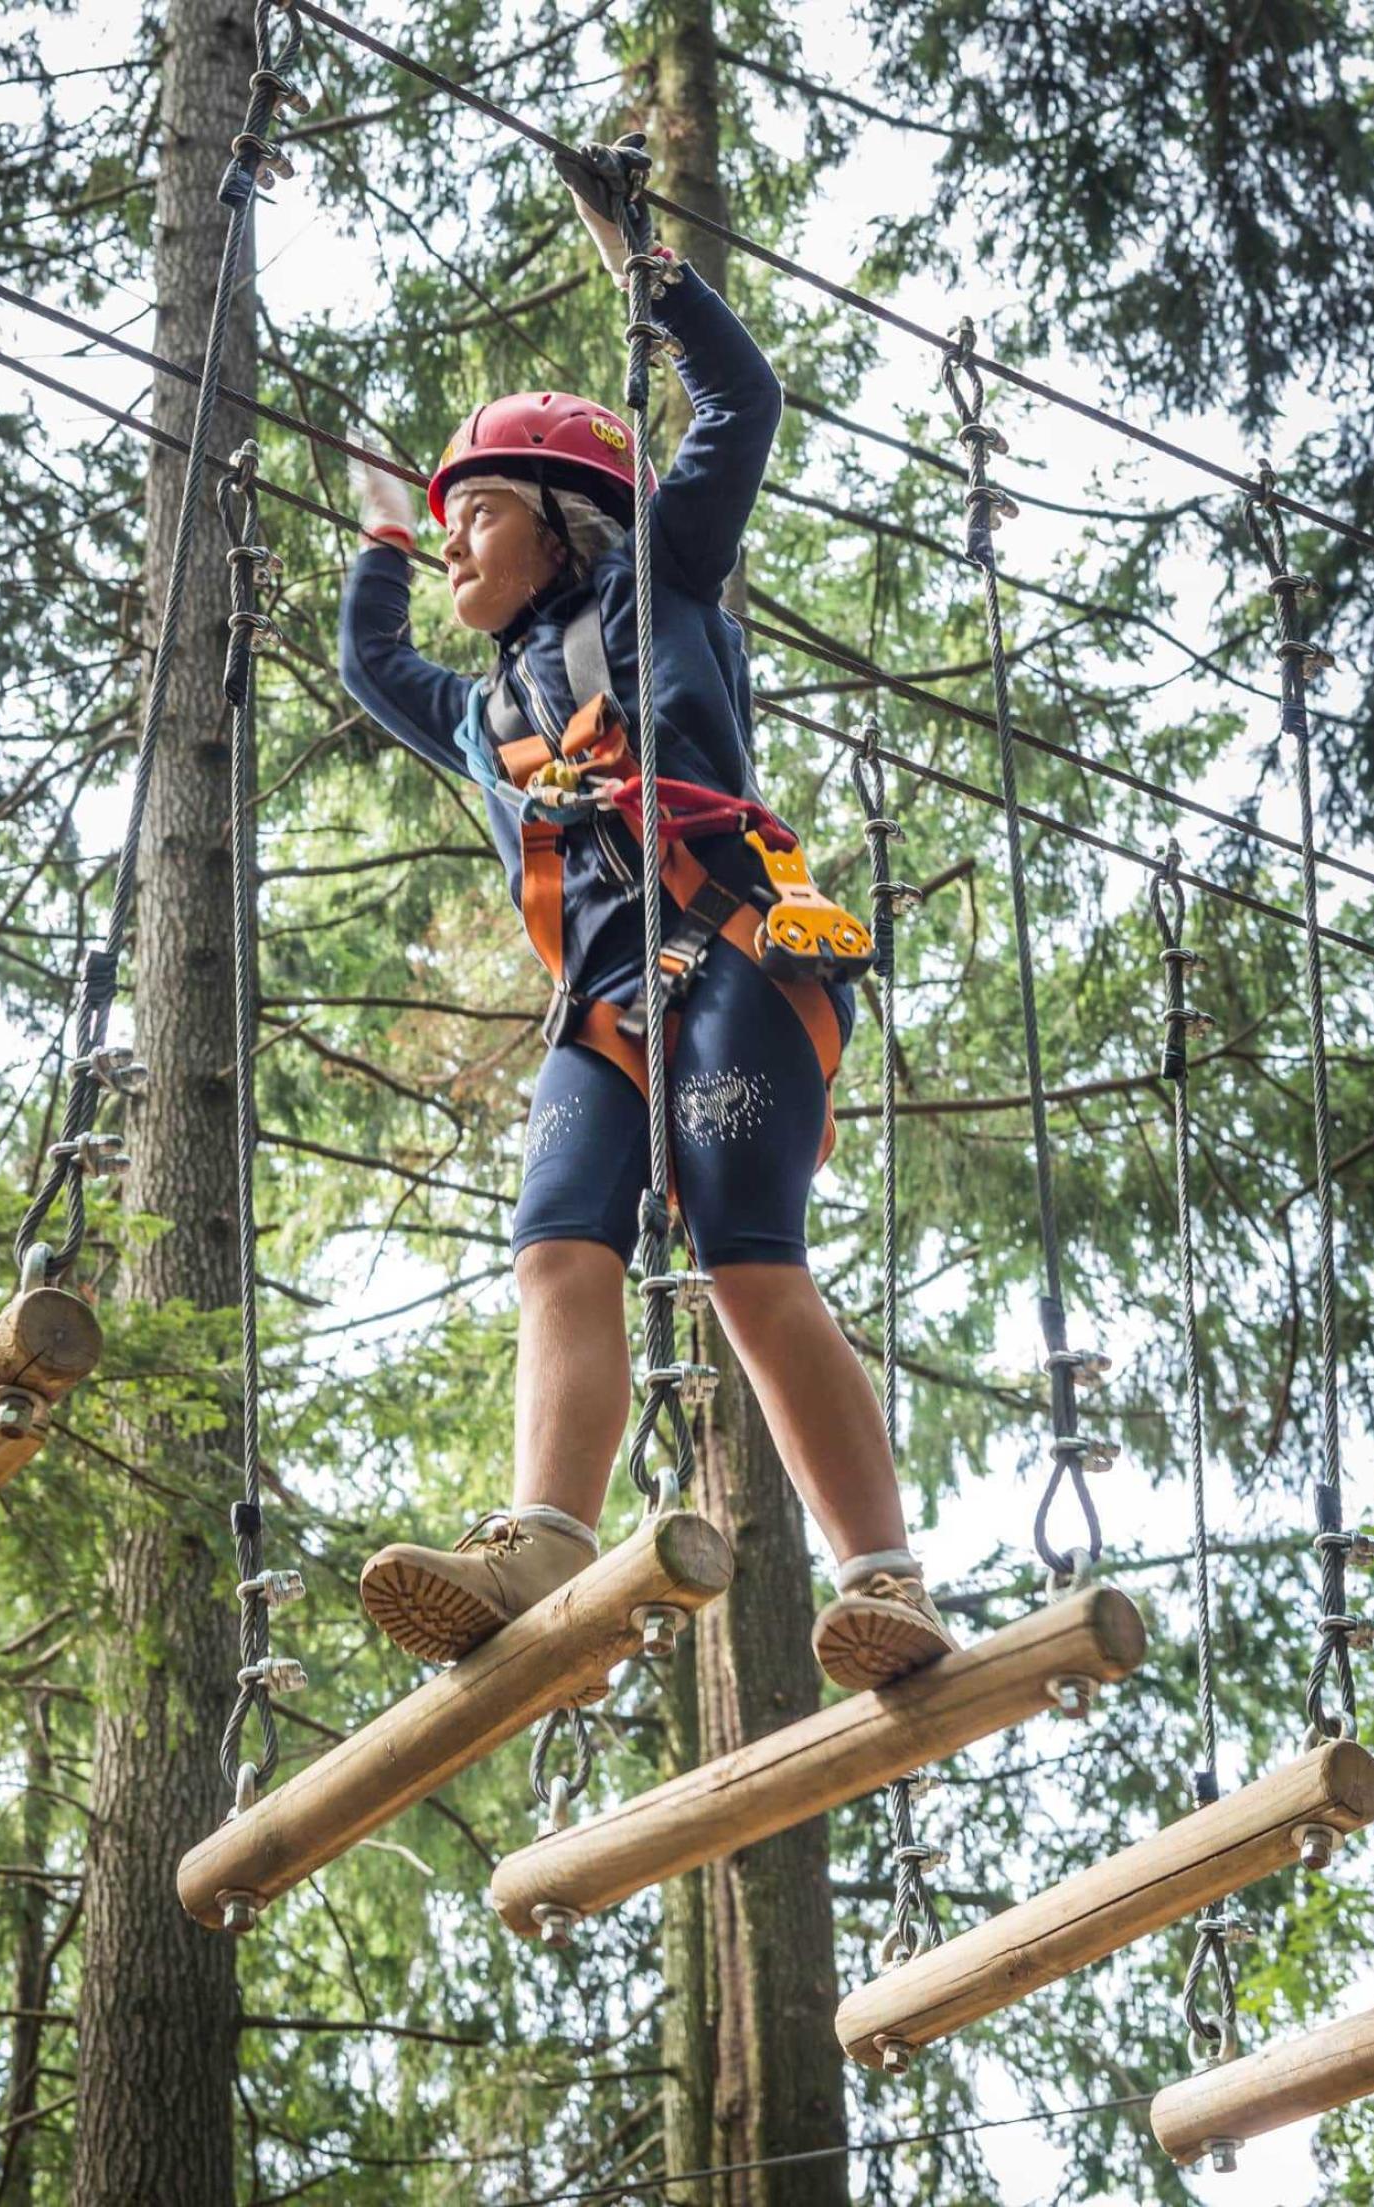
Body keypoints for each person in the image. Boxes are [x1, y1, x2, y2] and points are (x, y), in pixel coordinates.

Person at [337, 140, 954, 1692]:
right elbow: (372, 670)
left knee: (749, 1260)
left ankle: (886, 1576)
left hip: (733, 947)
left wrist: (643, 266)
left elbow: (743, 406)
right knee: (556, 1251)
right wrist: (385, 540)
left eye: (476, 510)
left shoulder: (657, 576)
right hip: (603, 1003)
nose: (462, 539)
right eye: (451, 525)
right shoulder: (482, 718)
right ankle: (543, 1531)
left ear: (560, 510)